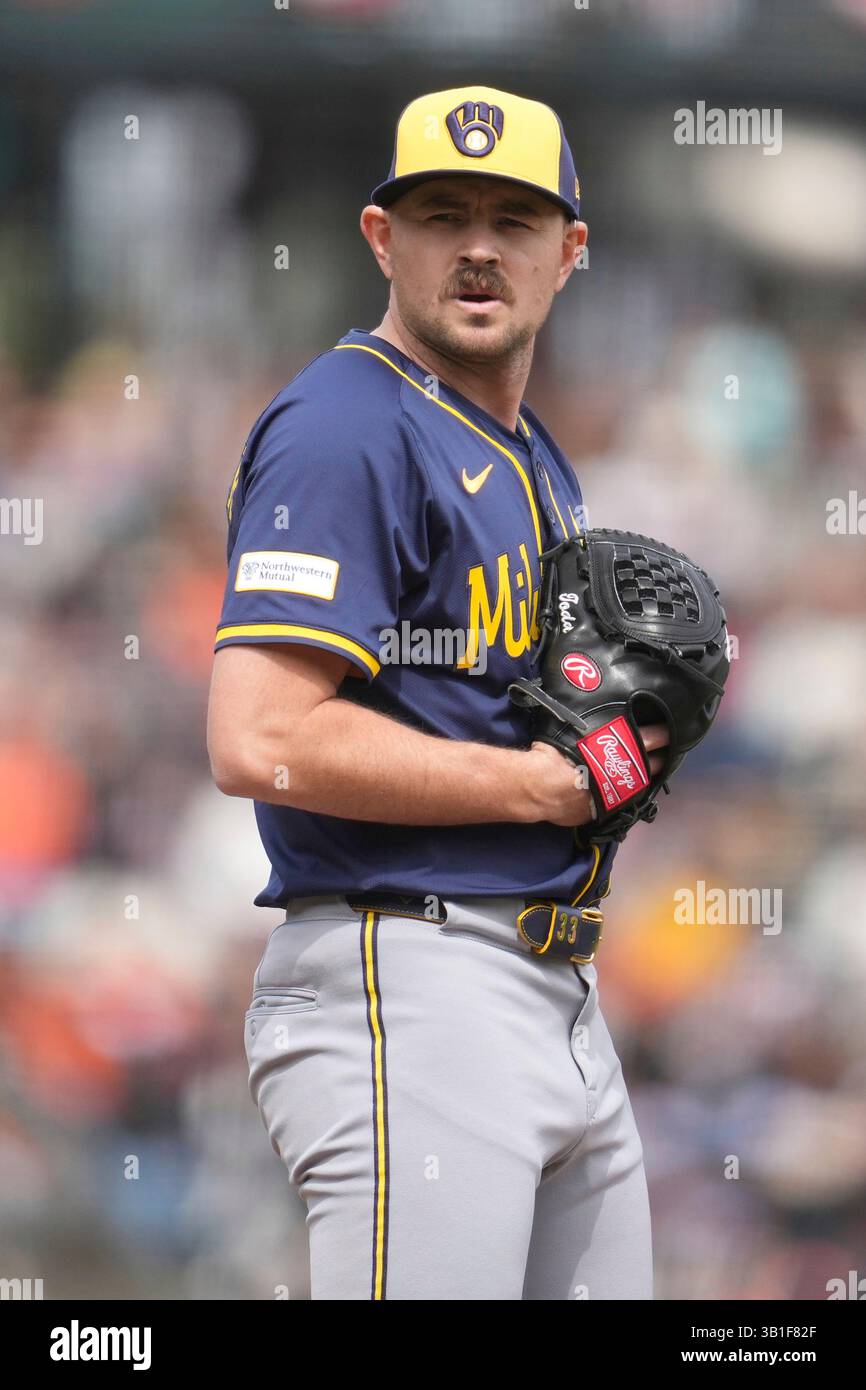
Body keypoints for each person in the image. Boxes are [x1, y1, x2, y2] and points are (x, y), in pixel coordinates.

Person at [207, 85, 666, 1300]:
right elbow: (256, 738)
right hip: (406, 973)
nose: (476, 246)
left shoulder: (531, 451)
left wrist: (622, 755)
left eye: (513, 219)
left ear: (567, 254)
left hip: (555, 984)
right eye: (441, 213)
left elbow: (545, 747)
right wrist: (534, 785)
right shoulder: (346, 422)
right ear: (380, 238)